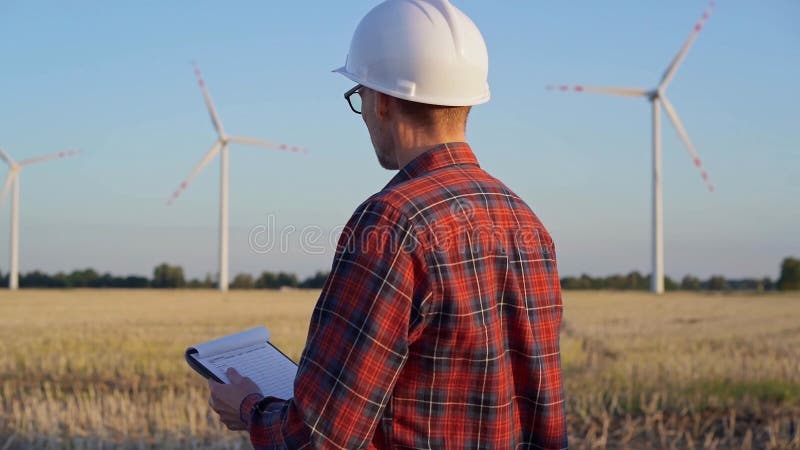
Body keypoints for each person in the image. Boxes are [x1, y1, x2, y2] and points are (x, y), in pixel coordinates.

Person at [208, 0, 567, 448]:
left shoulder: (393, 222)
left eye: (359, 95)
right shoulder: (524, 220)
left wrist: (250, 407)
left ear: (381, 101)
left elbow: (321, 437)